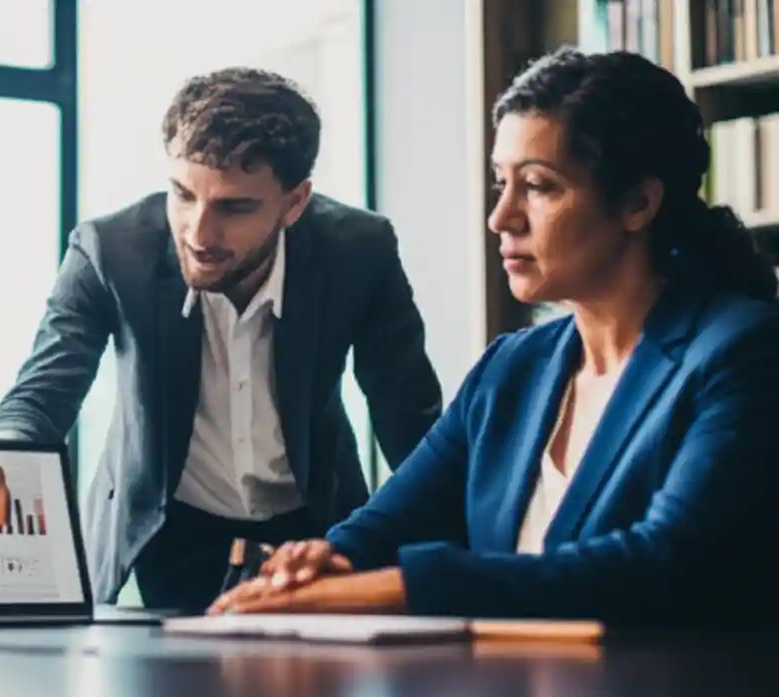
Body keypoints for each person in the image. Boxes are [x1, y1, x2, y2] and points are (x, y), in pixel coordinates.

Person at [210, 48, 779, 625]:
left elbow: (663, 565)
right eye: (500, 182)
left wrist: (398, 588)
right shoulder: (512, 368)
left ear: (638, 203)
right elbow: (385, 526)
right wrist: (325, 561)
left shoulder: (742, 353)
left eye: (538, 186)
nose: (500, 217)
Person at [0, 67, 442, 611]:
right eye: (183, 194)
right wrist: (1, 454)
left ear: (294, 202)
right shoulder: (110, 252)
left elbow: (411, 422)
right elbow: (44, 391)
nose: (198, 232)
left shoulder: (359, 251)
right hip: (169, 533)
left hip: (314, 534)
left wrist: (460, 556)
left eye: (234, 207)